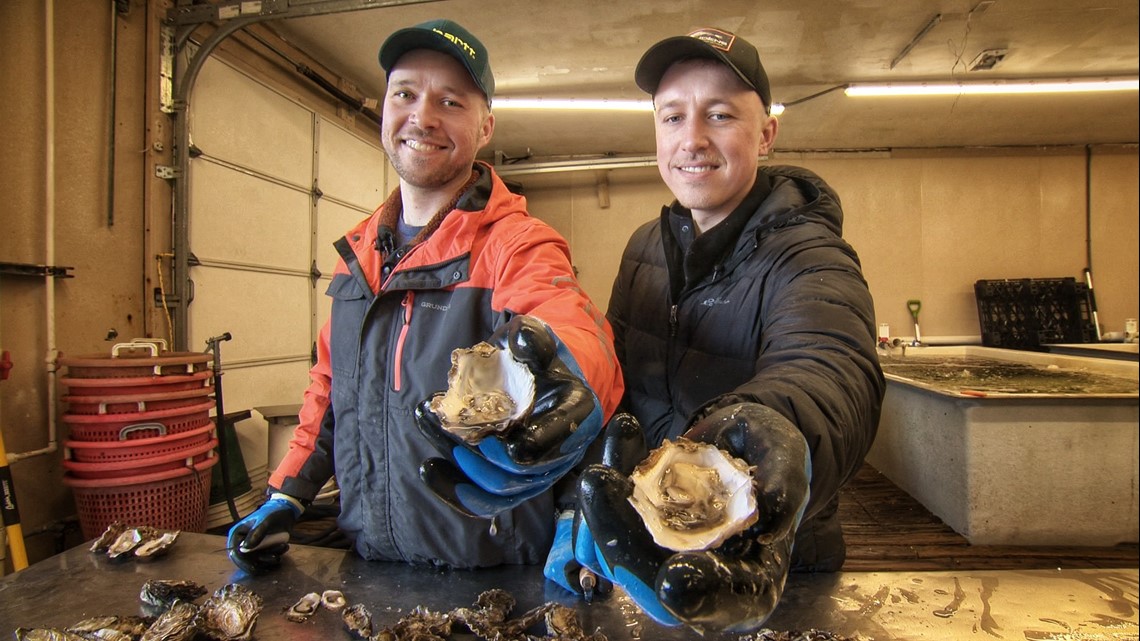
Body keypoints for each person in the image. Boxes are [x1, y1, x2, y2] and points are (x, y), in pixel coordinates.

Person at [226, 19, 623, 573]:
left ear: (484, 126)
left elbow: (571, 324)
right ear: (384, 109)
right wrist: (286, 495)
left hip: (491, 572)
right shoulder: (363, 257)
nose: (423, 116)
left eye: (450, 101)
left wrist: (575, 372)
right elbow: (330, 387)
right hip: (372, 563)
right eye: (406, 94)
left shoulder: (515, 243)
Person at [561, 28, 886, 633]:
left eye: (719, 114)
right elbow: (619, 390)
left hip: (769, 563)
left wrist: (767, 434)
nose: (692, 139)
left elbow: (832, 369)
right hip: (653, 542)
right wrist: (577, 493)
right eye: (672, 116)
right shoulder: (642, 250)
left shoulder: (809, 254)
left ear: (766, 134)